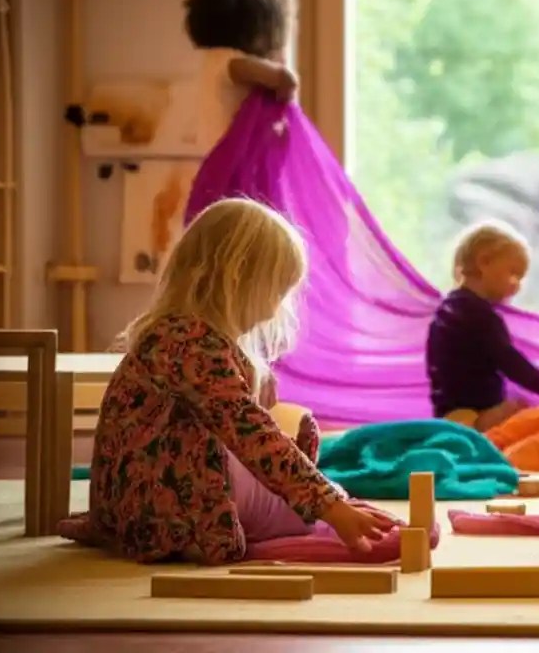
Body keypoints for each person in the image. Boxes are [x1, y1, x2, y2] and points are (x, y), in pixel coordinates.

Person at [58, 199, 394, 564]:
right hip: (160, 513)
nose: (274, 309)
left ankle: (315, 513)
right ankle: (317, 520)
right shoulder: (189, 341)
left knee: (297, 438)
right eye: (277, 293)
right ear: (237, 279)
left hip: (143, 503)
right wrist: (330, 504)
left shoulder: (187, 335)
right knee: (285, 464)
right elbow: (249, 433)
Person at [427, 221, 539, 431]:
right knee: (525, 411)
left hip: (446, 415)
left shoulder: (446, 310)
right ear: (484, 262)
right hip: (474, 416)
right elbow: (512, 363)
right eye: (513, 273)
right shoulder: (480, 315)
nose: (518, 285)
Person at [183, 0, 299, 151]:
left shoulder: (210, 60)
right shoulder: (231, 61)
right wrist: (282, 110)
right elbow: (285, 79)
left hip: (218, 159)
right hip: (240, 162)